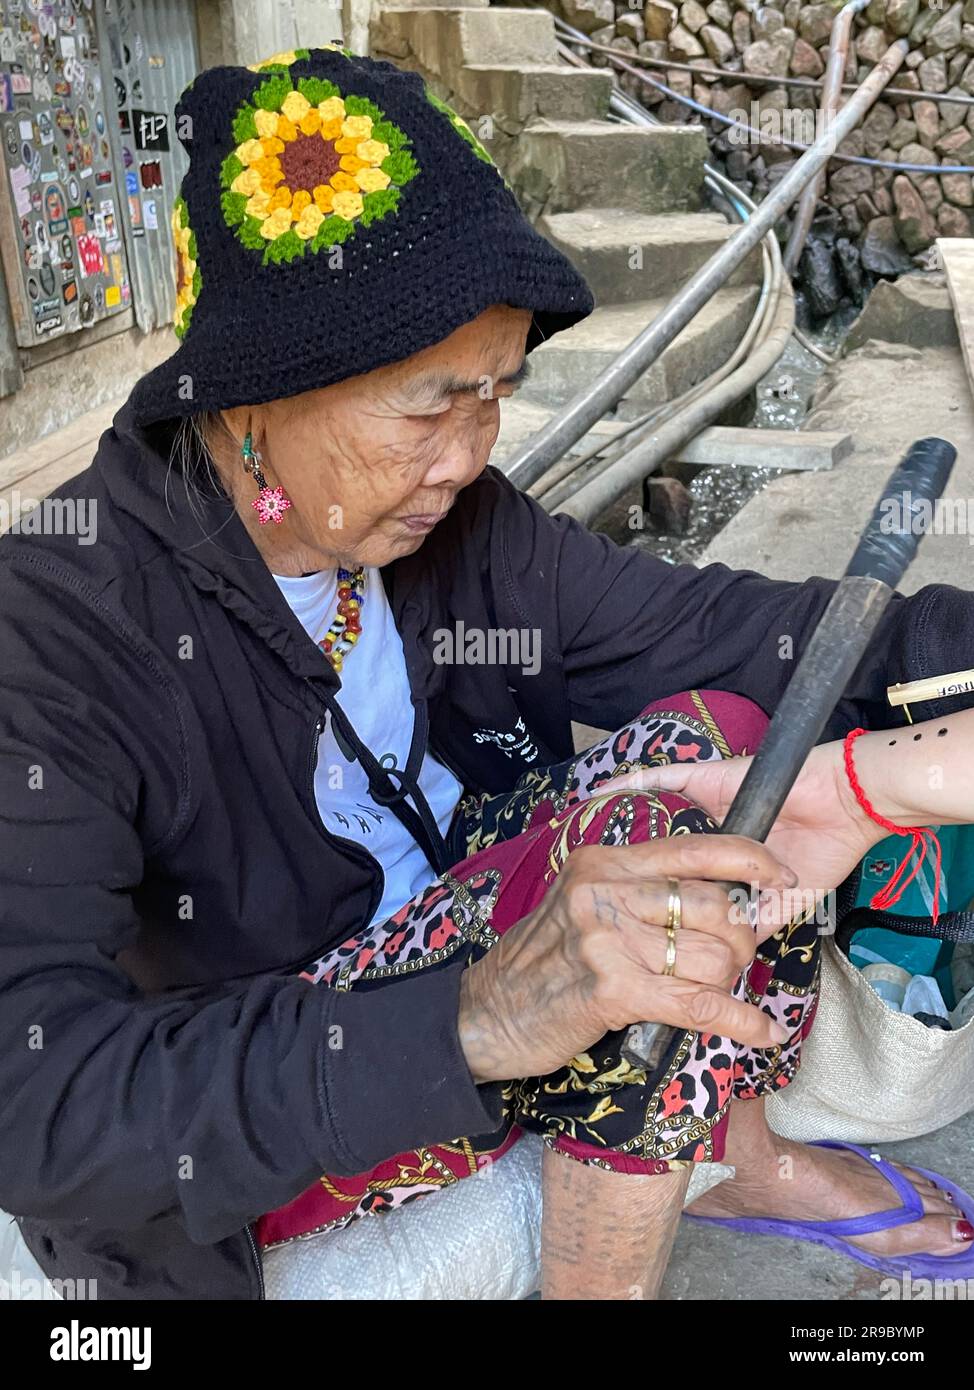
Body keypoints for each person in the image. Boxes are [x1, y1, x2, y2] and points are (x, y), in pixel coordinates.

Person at [1, 47, 973, 1302]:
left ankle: (742, 1154)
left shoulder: (467, 535)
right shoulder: (53, 619)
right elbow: (36, 1096)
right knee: (648, 848)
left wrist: (914, 738)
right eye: (426, 405)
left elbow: (741, 635)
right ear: (252, 391)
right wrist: (479, 1016)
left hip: (442, 967)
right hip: (268, 1127)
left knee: (714, 749)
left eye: (497, 394)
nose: (467, 454)